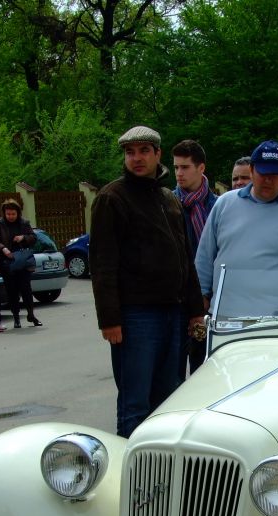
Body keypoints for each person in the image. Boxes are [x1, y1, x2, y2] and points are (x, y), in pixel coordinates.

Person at [90, 125, 204, 438]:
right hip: (135, 316)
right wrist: (110, 319)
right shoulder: (111, 198)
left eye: (143, 151)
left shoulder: (169, 200)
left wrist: (195, 310)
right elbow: (102, 264)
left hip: (174, 313)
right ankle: (128, 477)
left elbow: (186, 260)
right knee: (135, 404)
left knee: (169, 399)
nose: (136, 158)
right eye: (130, 152)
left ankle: (163, 474)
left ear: (157, 154)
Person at [195, 139, 278, 317]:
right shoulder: (224, 204)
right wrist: (200, 297)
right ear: (252, 170)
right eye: (263, 173)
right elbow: (204, 257)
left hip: (275, 320)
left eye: (274, 174)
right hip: (224, 316)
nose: (268, 180)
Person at [172, 139, 218, 374]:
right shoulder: (167, 204)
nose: (179, 174)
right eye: (176, 167)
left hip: (212, 302)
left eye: (185, 167)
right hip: (178, 301)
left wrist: (207, 294)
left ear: (201, 168)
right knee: (174, 375)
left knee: (206, 370)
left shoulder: (218, 207)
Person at [0, 199, 41, 329]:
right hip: (7, 262)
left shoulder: (24, 223)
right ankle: (16, 318)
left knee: (26, 289)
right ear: (4, 213)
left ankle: (31, 315)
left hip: (23, 261)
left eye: (13, 214)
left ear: (18, 213)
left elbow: (33, 237)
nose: (11, 216)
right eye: (8, 214)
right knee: (11, 291)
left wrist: (23, 237)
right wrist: (3, 249)